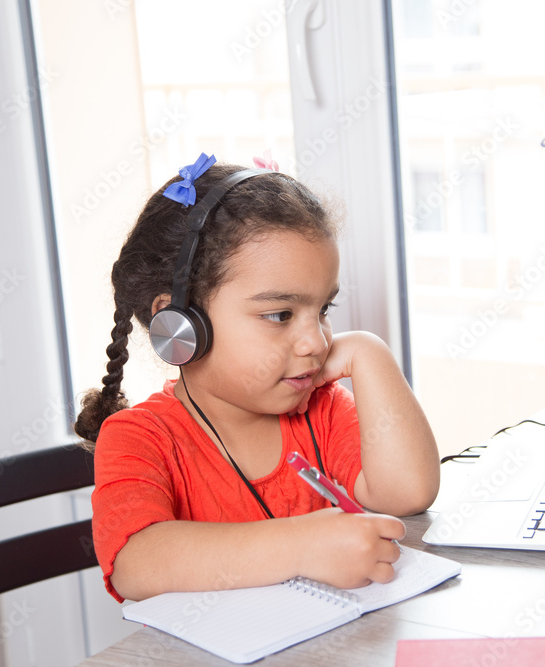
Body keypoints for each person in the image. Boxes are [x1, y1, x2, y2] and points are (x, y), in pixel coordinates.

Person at [75, 153, 440, 603]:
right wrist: (302, 546)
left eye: (323, 311)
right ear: (180, 326)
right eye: (280, 314)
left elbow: (408, 492)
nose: (316, 341)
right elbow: (136, 562)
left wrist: (370, 353)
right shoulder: (140, 437)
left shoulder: (318, 410)